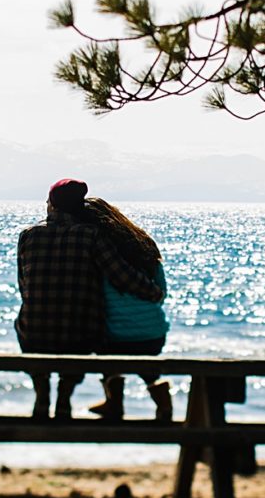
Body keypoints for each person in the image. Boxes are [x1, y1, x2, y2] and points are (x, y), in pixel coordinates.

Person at [15, 178, 162, 420]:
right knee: (85, 331)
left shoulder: (28, 236)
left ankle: (42, 393)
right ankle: (64, 396)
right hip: (78, 334)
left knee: (26, 324)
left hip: (35, 334)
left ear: (52, 205)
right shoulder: (91, 236)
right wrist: (153, 291)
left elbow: (24, 286)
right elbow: (120, 275)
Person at [84, 196, 171, 423]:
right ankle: (163, 403)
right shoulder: (144, 244)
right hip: (154, 334)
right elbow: (162, 291)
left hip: (115, 338)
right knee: (148, 369)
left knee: (108, 357)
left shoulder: (102, 253)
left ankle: (114, 403)